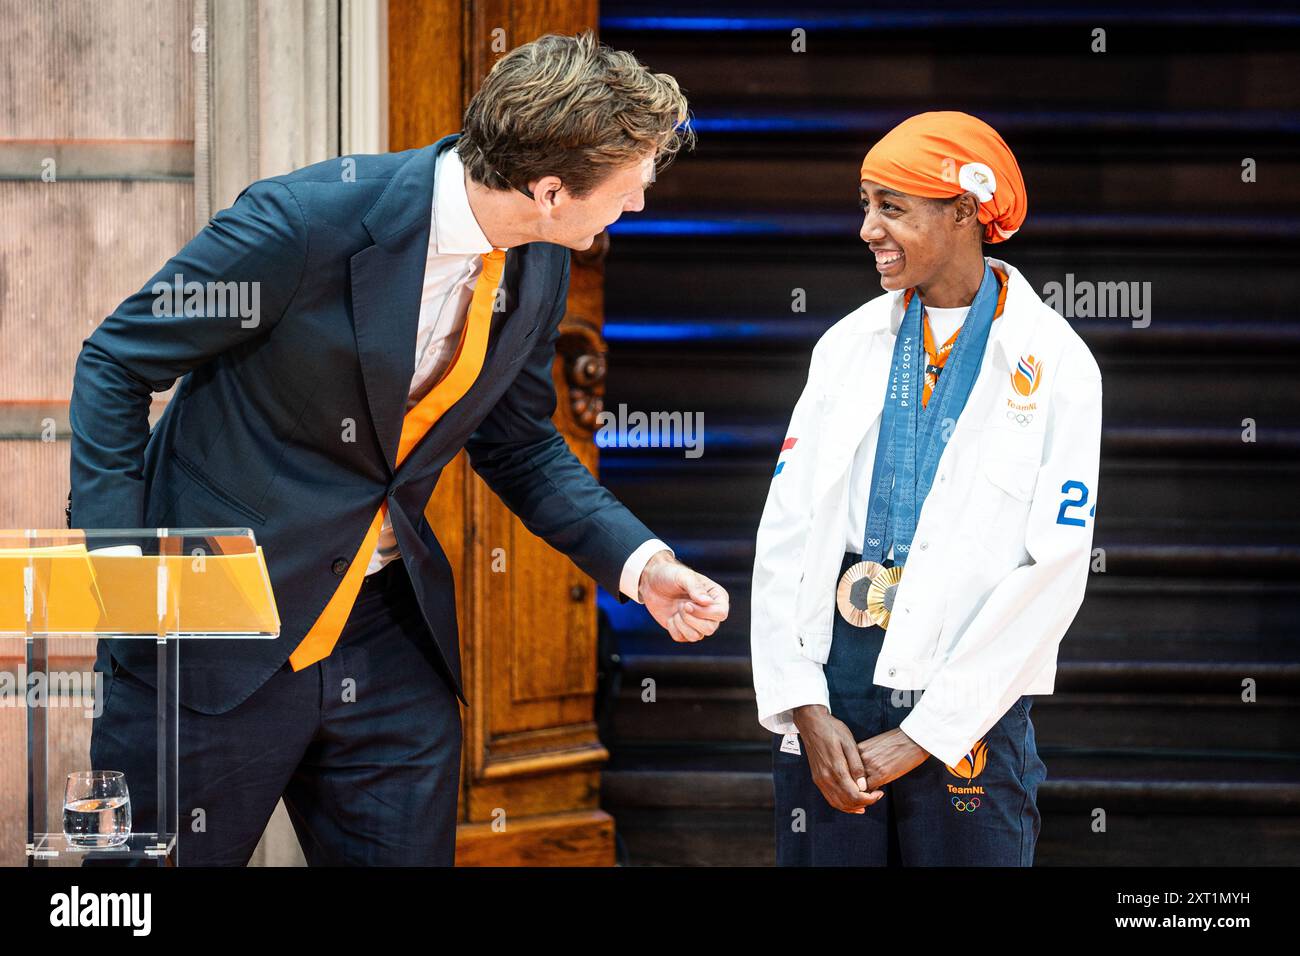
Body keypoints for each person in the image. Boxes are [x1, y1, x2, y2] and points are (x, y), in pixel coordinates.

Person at [69, 31, 728, 866]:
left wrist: (640, 564)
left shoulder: (539, 261)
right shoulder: (301, 223)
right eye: (633, 183)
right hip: (212, 629)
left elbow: (520, 443)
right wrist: (124, 564)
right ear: (552, 189)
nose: (637, 203)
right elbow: (116, 361)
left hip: (387, 641)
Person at [750, 111, 1102, 866]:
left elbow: (1056, 569)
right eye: (866, 204)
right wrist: (807, 707)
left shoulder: (1056, 363)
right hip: (836, 692)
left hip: (967, 698)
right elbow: (785, 530)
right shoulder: (845, 345)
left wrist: (922, 736)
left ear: (965, 211)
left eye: (893, 207)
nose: (868, 228)